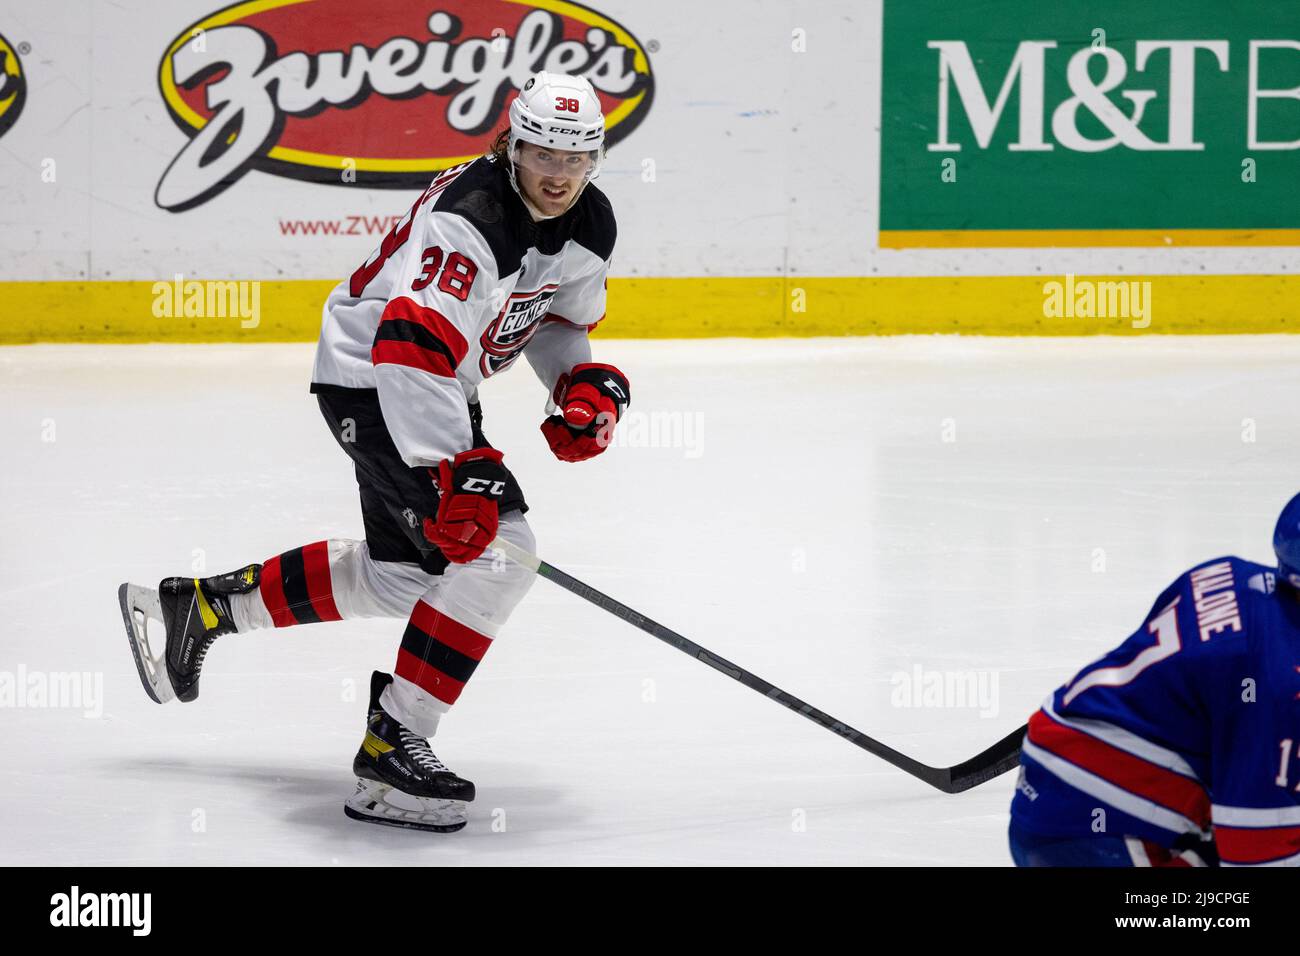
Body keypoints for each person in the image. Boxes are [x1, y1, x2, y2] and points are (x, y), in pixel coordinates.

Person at [119, 71, 630, 832]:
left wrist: (577, 385)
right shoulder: (474, 215)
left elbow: (553, 320)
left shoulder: (589, 222)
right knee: (496, 554)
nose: (558, 175)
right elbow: (407, 343)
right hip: (375, 376)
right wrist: (452, 465)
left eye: (577, 158)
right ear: (511, 143)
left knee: (405, 576)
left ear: (595, 158)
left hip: (430, 380)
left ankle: (205, 607)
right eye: (542, 154)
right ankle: (392, 749)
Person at [1008, 492, 1300, 866]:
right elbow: (1257, 855)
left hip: (1055, 784)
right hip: (1087, 835)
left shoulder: (1229, 573)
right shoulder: (1284, 691)